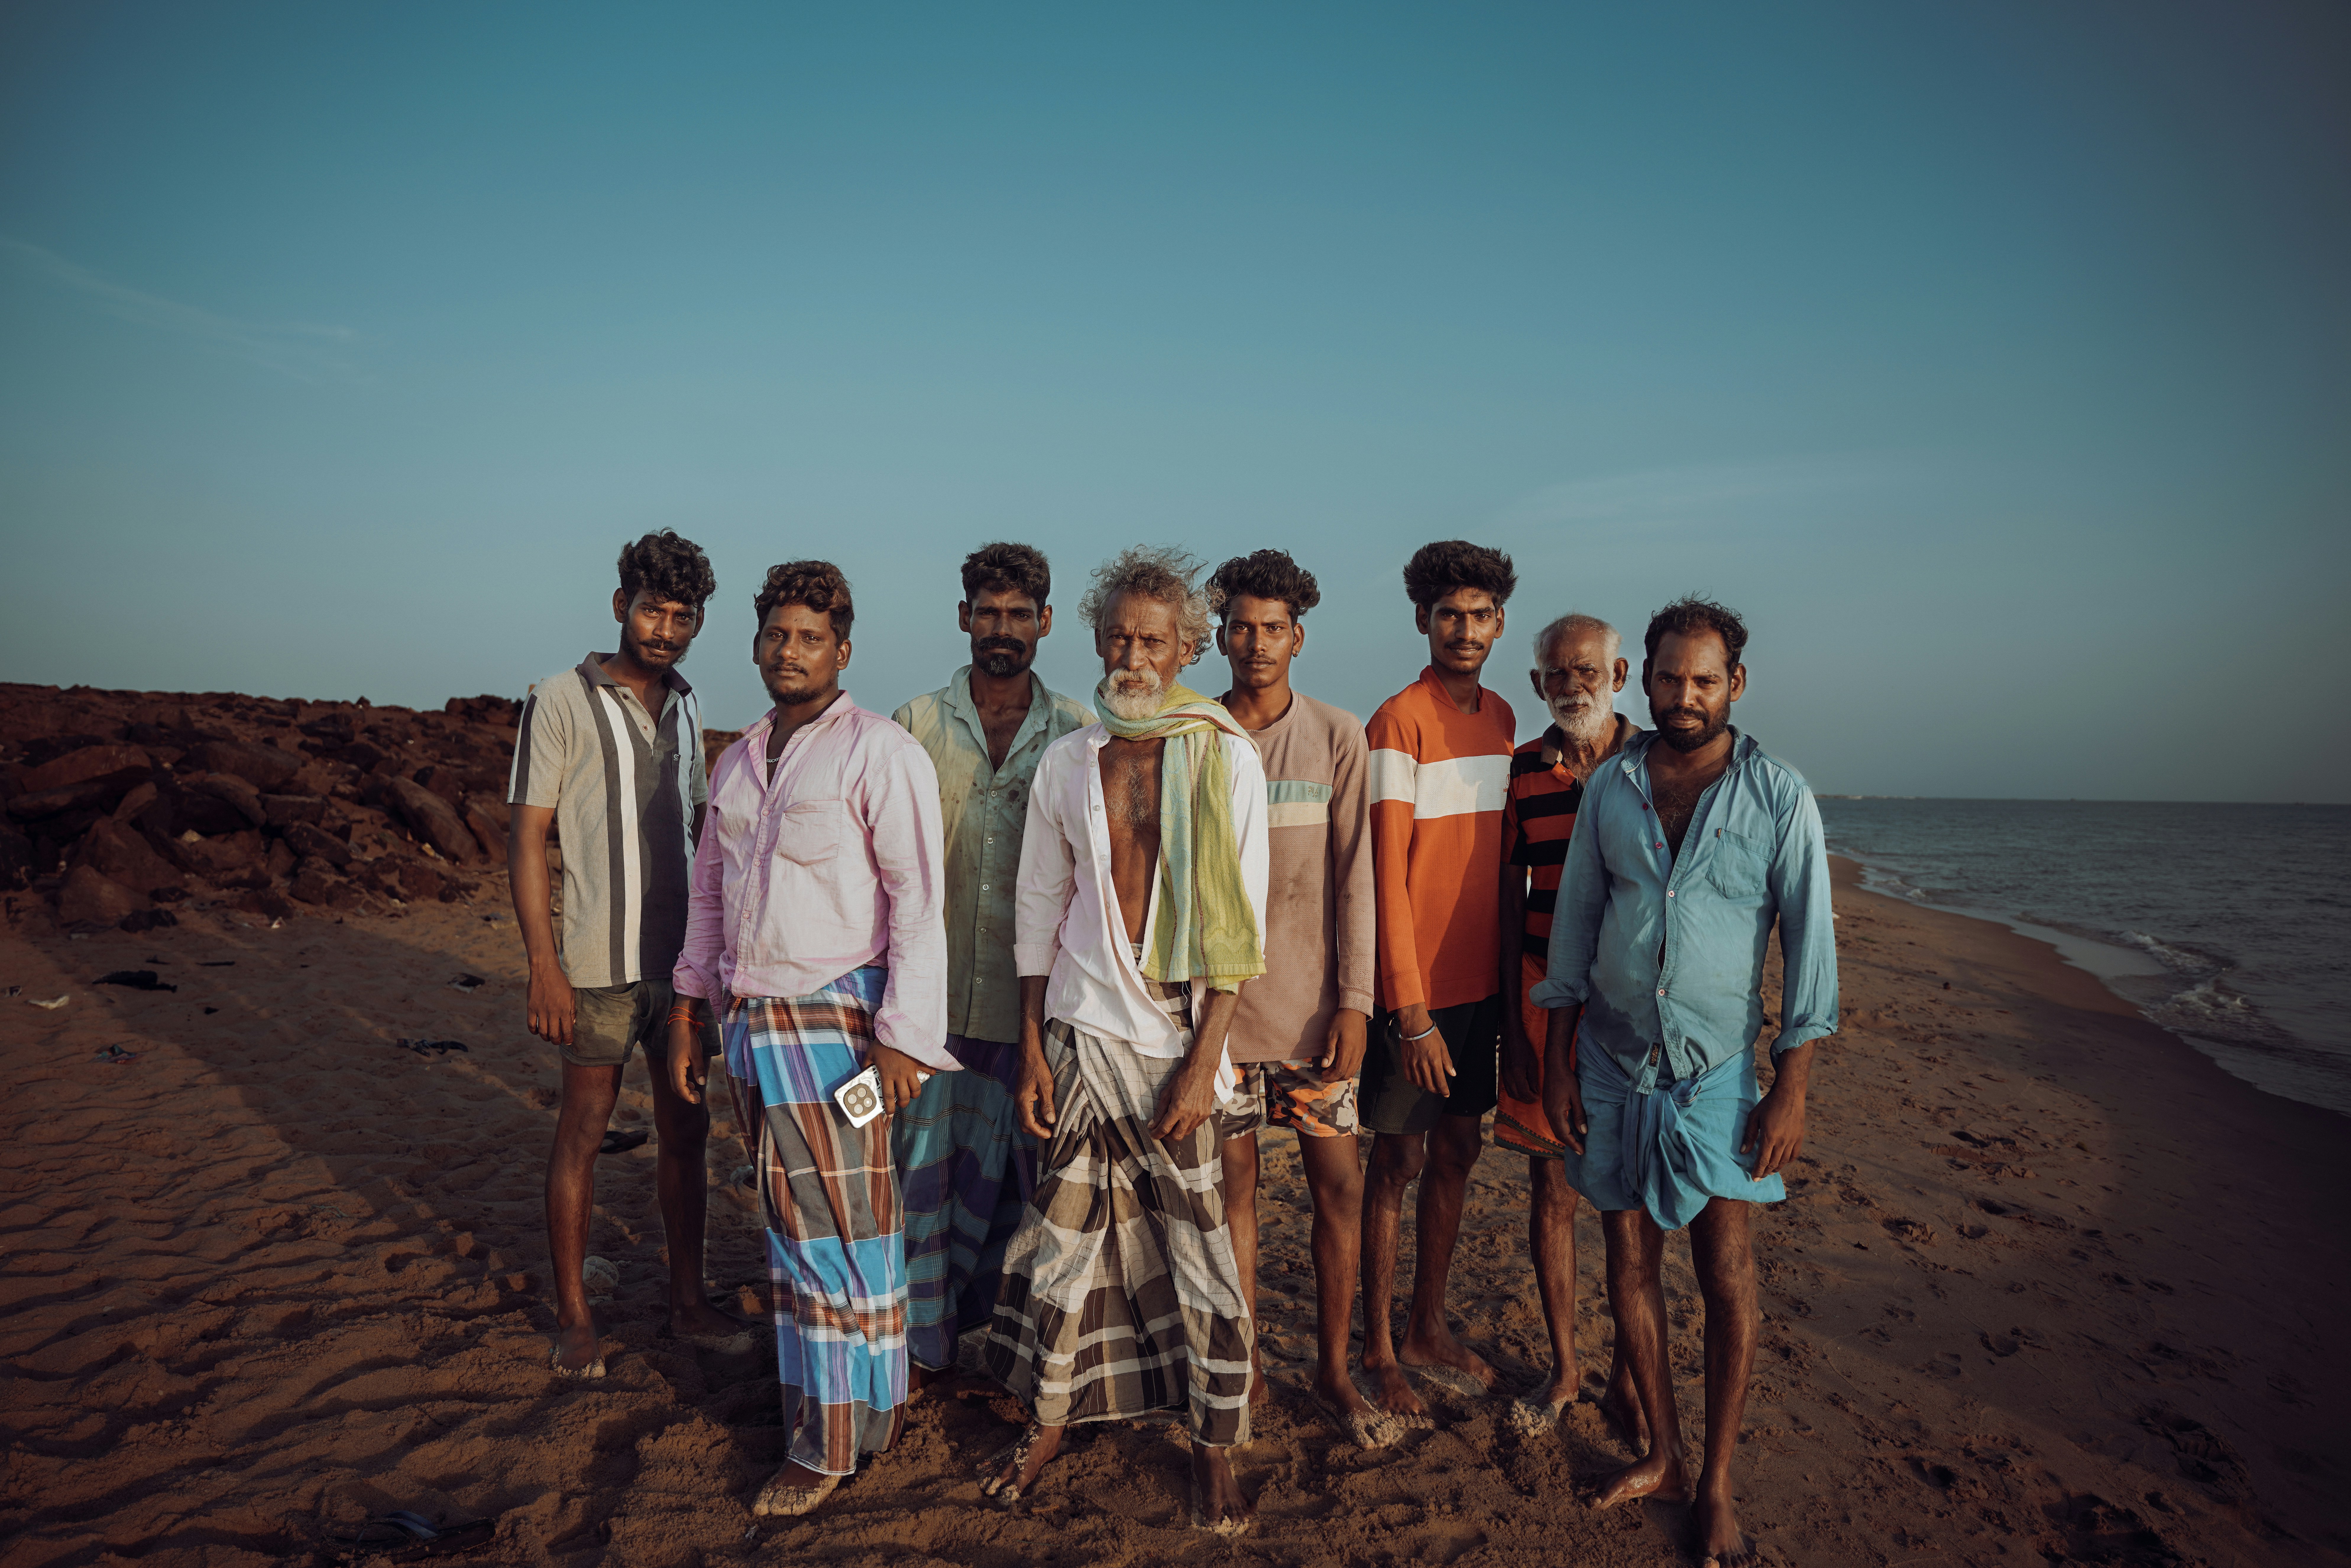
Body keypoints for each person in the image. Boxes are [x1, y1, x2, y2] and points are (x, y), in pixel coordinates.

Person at [1533, 597, 1837, 1568]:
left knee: (1726, 1271)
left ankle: (1715, 1484)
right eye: (1670, 679)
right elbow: (1576, 924)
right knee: (1629, 1264)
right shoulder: (1611, 789)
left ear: (1735, 685)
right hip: (1611, 1065)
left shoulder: (1779, 794)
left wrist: (1790, 1085)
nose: (1686, 696)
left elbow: (1809, 948)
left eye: (1705, 680)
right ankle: (1662, 1452)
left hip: (1716, 1077)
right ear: (1646, 681)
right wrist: (1555, 1060)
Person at [981, 546, 1269, 1533]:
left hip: (1185, 1044)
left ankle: (1214, 1447)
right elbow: (1036, 910)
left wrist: (1202, 1066)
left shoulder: (1225, 753)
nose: (1133, 656)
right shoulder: (1069, 759)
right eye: (1118, 638)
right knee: (1066, 1246)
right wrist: (1030, 1047)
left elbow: (1243, 934)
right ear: (1097, 643)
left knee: (1200, 1257)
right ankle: (1052, 1420)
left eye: (1153, 640)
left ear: (1187, 647)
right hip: (1081, 1032)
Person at [667, 560, 954, 1517]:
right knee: (823, 1229)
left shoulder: (879, 752)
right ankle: (873, 1407)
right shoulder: (739, 758)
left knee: (834, 1234)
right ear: (756, 644)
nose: (790, 652)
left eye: (810, 638)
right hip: (751, 1021)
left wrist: (905, 1040)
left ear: (843, 649)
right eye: (776, 636)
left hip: (840, 1020)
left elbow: (919, 903)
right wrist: (688, 1009)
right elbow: (709, 894)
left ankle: (826, 1446)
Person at [506, 530, 748, 1380]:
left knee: (687, 1129)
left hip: (683, 966)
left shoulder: (687, 702)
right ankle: (576, 1318)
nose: (667, 630)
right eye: (653, 610)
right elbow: (529, 839)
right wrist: (544, 963)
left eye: (685, 617)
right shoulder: (560, 698)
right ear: (622, 605)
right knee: (583, 1130)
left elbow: (700, 833)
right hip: (595, 965)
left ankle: (688, 1303)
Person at [890, 543, 1093, 1384]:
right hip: (932, 1011)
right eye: (989, 612)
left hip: (1037, 1020)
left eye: (1020, 615)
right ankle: (918, 1357)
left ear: (1045, 623)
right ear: (964, 616)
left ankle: (1019, 1368)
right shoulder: (913, 727)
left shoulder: (1080, 731)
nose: (1002, 630)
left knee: (1031, 1196)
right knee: (920, 1192)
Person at [1203, 550, 1389, 1447]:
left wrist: (1356, 1002)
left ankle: (1334, 1369)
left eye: (1273, 627)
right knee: (1234, 1193)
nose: (1256, 643)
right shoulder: (1194, 732)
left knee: (1337, 1191)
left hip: (1319, 1020)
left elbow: (1358, 878)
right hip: (1222, 1029)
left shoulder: (1336, 735)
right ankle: (1242, 1368)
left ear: (1299, 636)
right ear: (1220, 636)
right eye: (1241, 627)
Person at [1356, 540, 1517, 1420]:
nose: (1464, 628)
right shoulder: (1398, 720)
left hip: (1482, 990)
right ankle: (1380, 1349)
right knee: (1398, 1160)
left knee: (1459, 1151)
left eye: (1480, 615)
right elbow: (1387, 873)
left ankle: (1428, 1326)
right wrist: (1408, 1009)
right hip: (1414, 996)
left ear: (1500, 624)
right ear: (1423, 619)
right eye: (1448, 614)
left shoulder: (1503, 719)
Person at [1495, 613, 1644, 1435]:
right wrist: (1514, 1033)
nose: (1573, 686)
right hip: (1538, 993)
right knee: (1551, 1190)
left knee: (1625, 1195)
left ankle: (1630, 1368)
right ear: (1538, 685)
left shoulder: (1657, 764)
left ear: (1618, 676)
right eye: (1557, 674)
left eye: (1588, 671)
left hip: (1627, 1008)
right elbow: (1506, 898)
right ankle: (1564, 1368)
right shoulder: (1523, 770)